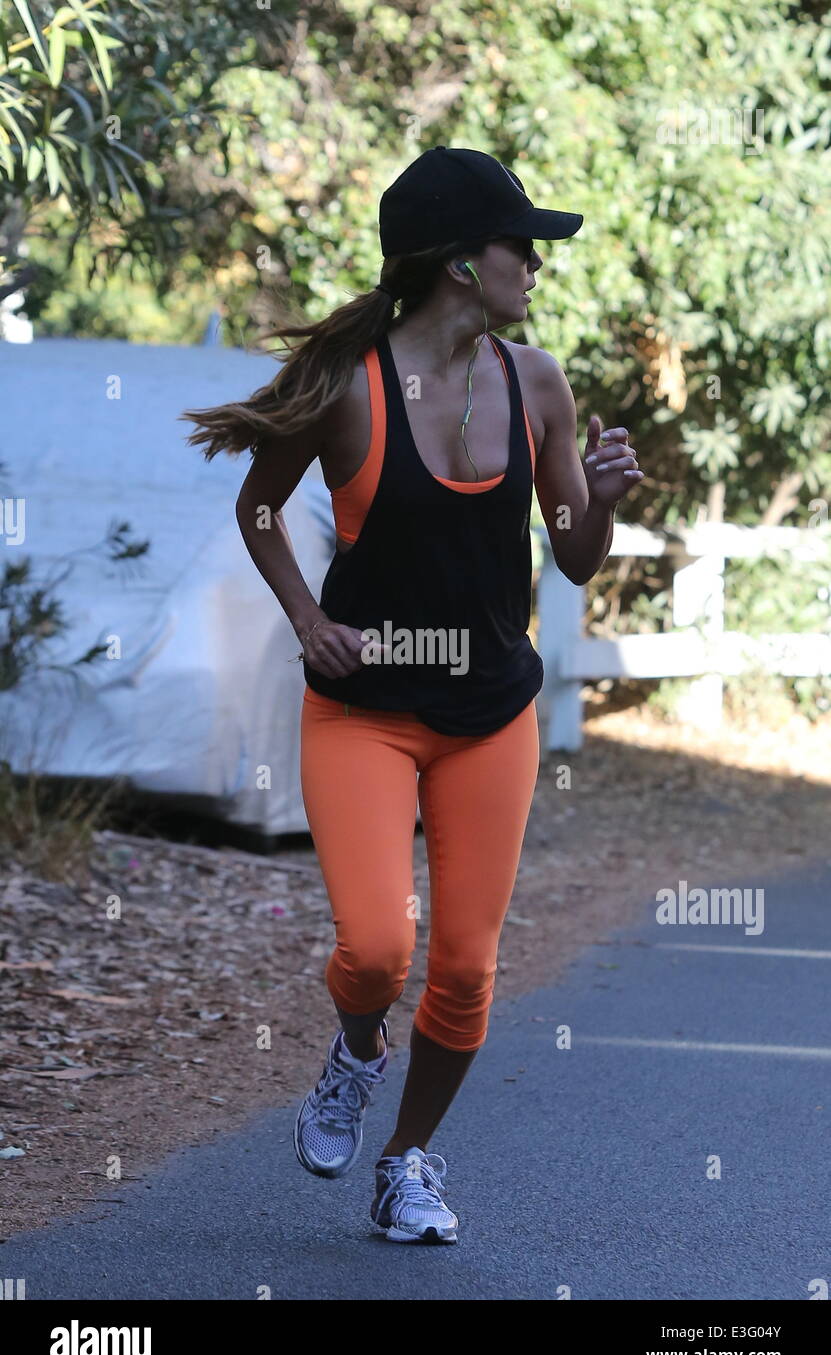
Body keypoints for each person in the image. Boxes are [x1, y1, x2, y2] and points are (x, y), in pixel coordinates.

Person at [182, 146, 643, 1245]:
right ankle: (353, 1052)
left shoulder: (538, 382)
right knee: (378, 950)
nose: (535, 264)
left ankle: (408, 1161)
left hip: (492, 713)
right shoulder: (349, 388)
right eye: (518, 245)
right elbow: (258, 508)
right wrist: (307, 619)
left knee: (468, 967)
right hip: (366, 711)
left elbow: (575, 558)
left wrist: (605, 503)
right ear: (457, 265)